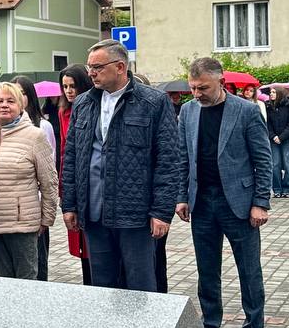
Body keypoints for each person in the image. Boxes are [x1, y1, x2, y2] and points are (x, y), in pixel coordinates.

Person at [60, 40, 181, 293]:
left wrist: (161, 211)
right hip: (94, 213)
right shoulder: (84, 103)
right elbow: (71, 157)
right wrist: (69, 204)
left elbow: (168, 160)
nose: (91, 72)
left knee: (140, 286)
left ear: (120, 66)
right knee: (102, 286)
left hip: (134, 215)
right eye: (89, 66)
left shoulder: (153, 102)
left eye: (97, 67)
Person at [175, 57, 272, 328]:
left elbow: (263, 159)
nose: (197, 94)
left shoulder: (245, 111)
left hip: (239, 206)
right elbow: (182, 158)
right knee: (207, 273)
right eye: (192, 88)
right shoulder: (188, 112)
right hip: (202, 203)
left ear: (220, 82)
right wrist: (181, 197)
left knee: (249, 273)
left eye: (203, 87)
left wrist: (260, 202)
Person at [0, 82, 57, 280]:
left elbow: (49, 181)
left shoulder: (35, 136)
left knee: (26, 281)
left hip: (23, 223)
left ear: (21, 106)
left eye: (10, 101)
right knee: (3, 280)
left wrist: (47, 218)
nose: (4, 105)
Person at [14, 75, 60, 283]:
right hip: (10, 208)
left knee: (37, 262)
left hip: (35, 204)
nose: (18, 98)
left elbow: (49, 168)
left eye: (22, 93)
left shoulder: (43, 127)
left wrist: (45, 208)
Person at [56, 65, 95, 286]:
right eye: (65, 87)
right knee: (81, 243)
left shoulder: (91, 108)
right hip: (74, 185)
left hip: (91, 183)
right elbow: (65, 153)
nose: (69, 91)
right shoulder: (63, 112)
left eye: (73, 86)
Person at [264, 87, 289, 198]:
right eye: (271, 92)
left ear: (280, 94)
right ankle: (277, 189)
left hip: (287, 139)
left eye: (274, 92)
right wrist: (273, 136)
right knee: (275, 165)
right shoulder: (269, 106)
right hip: (273, 139)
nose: (271, 94)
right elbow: (267, 123)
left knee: (288, 165)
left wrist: (282, 137)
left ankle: (287, 188)